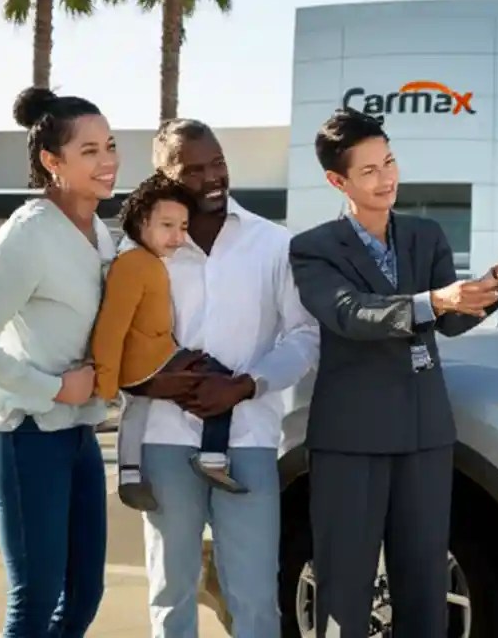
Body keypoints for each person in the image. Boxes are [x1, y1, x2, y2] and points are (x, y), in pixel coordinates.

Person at [288, 108, 498, 637]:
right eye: (370, 170)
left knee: (424, 583)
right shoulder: (313, 248)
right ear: (338, 181)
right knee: (344, 587)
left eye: (390, 161)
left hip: (424, 434)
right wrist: (433, 301)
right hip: (350, 439)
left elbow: (455, 323)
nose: (387, 177)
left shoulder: (426, 235)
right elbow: (351, 314)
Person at [125, 118, 320, 637]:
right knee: (172, 593)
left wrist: (244, 385)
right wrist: (164, 382)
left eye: (218, 163)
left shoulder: (273, 244)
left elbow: (304, 336)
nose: (212, 177)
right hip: (162, 440)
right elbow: (119, 341)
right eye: (193, 169)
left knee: (255, 595)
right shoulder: (141, 254)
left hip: (250, 440)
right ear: (164, 176)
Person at [0, 87, 118, 637]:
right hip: (24, 434)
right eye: (88, 151)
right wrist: (51, 389)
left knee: (85, 593)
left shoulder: (102, 233)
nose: (107, 161)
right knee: (36, 597)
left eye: (109, 146)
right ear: (51, 161)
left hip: (78, 433)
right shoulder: (28, 233)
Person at [90, 172, 244, 509]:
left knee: (137, 410)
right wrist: (104, 387)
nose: (178, 237)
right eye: (167, 226)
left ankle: (130, 477)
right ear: (140, 221)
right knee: (221, 380)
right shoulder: (132, 264)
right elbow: (111, 327)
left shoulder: (144, 259)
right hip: (149, 364)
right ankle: (213, 458)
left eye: (183, 227)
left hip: (154, 356)